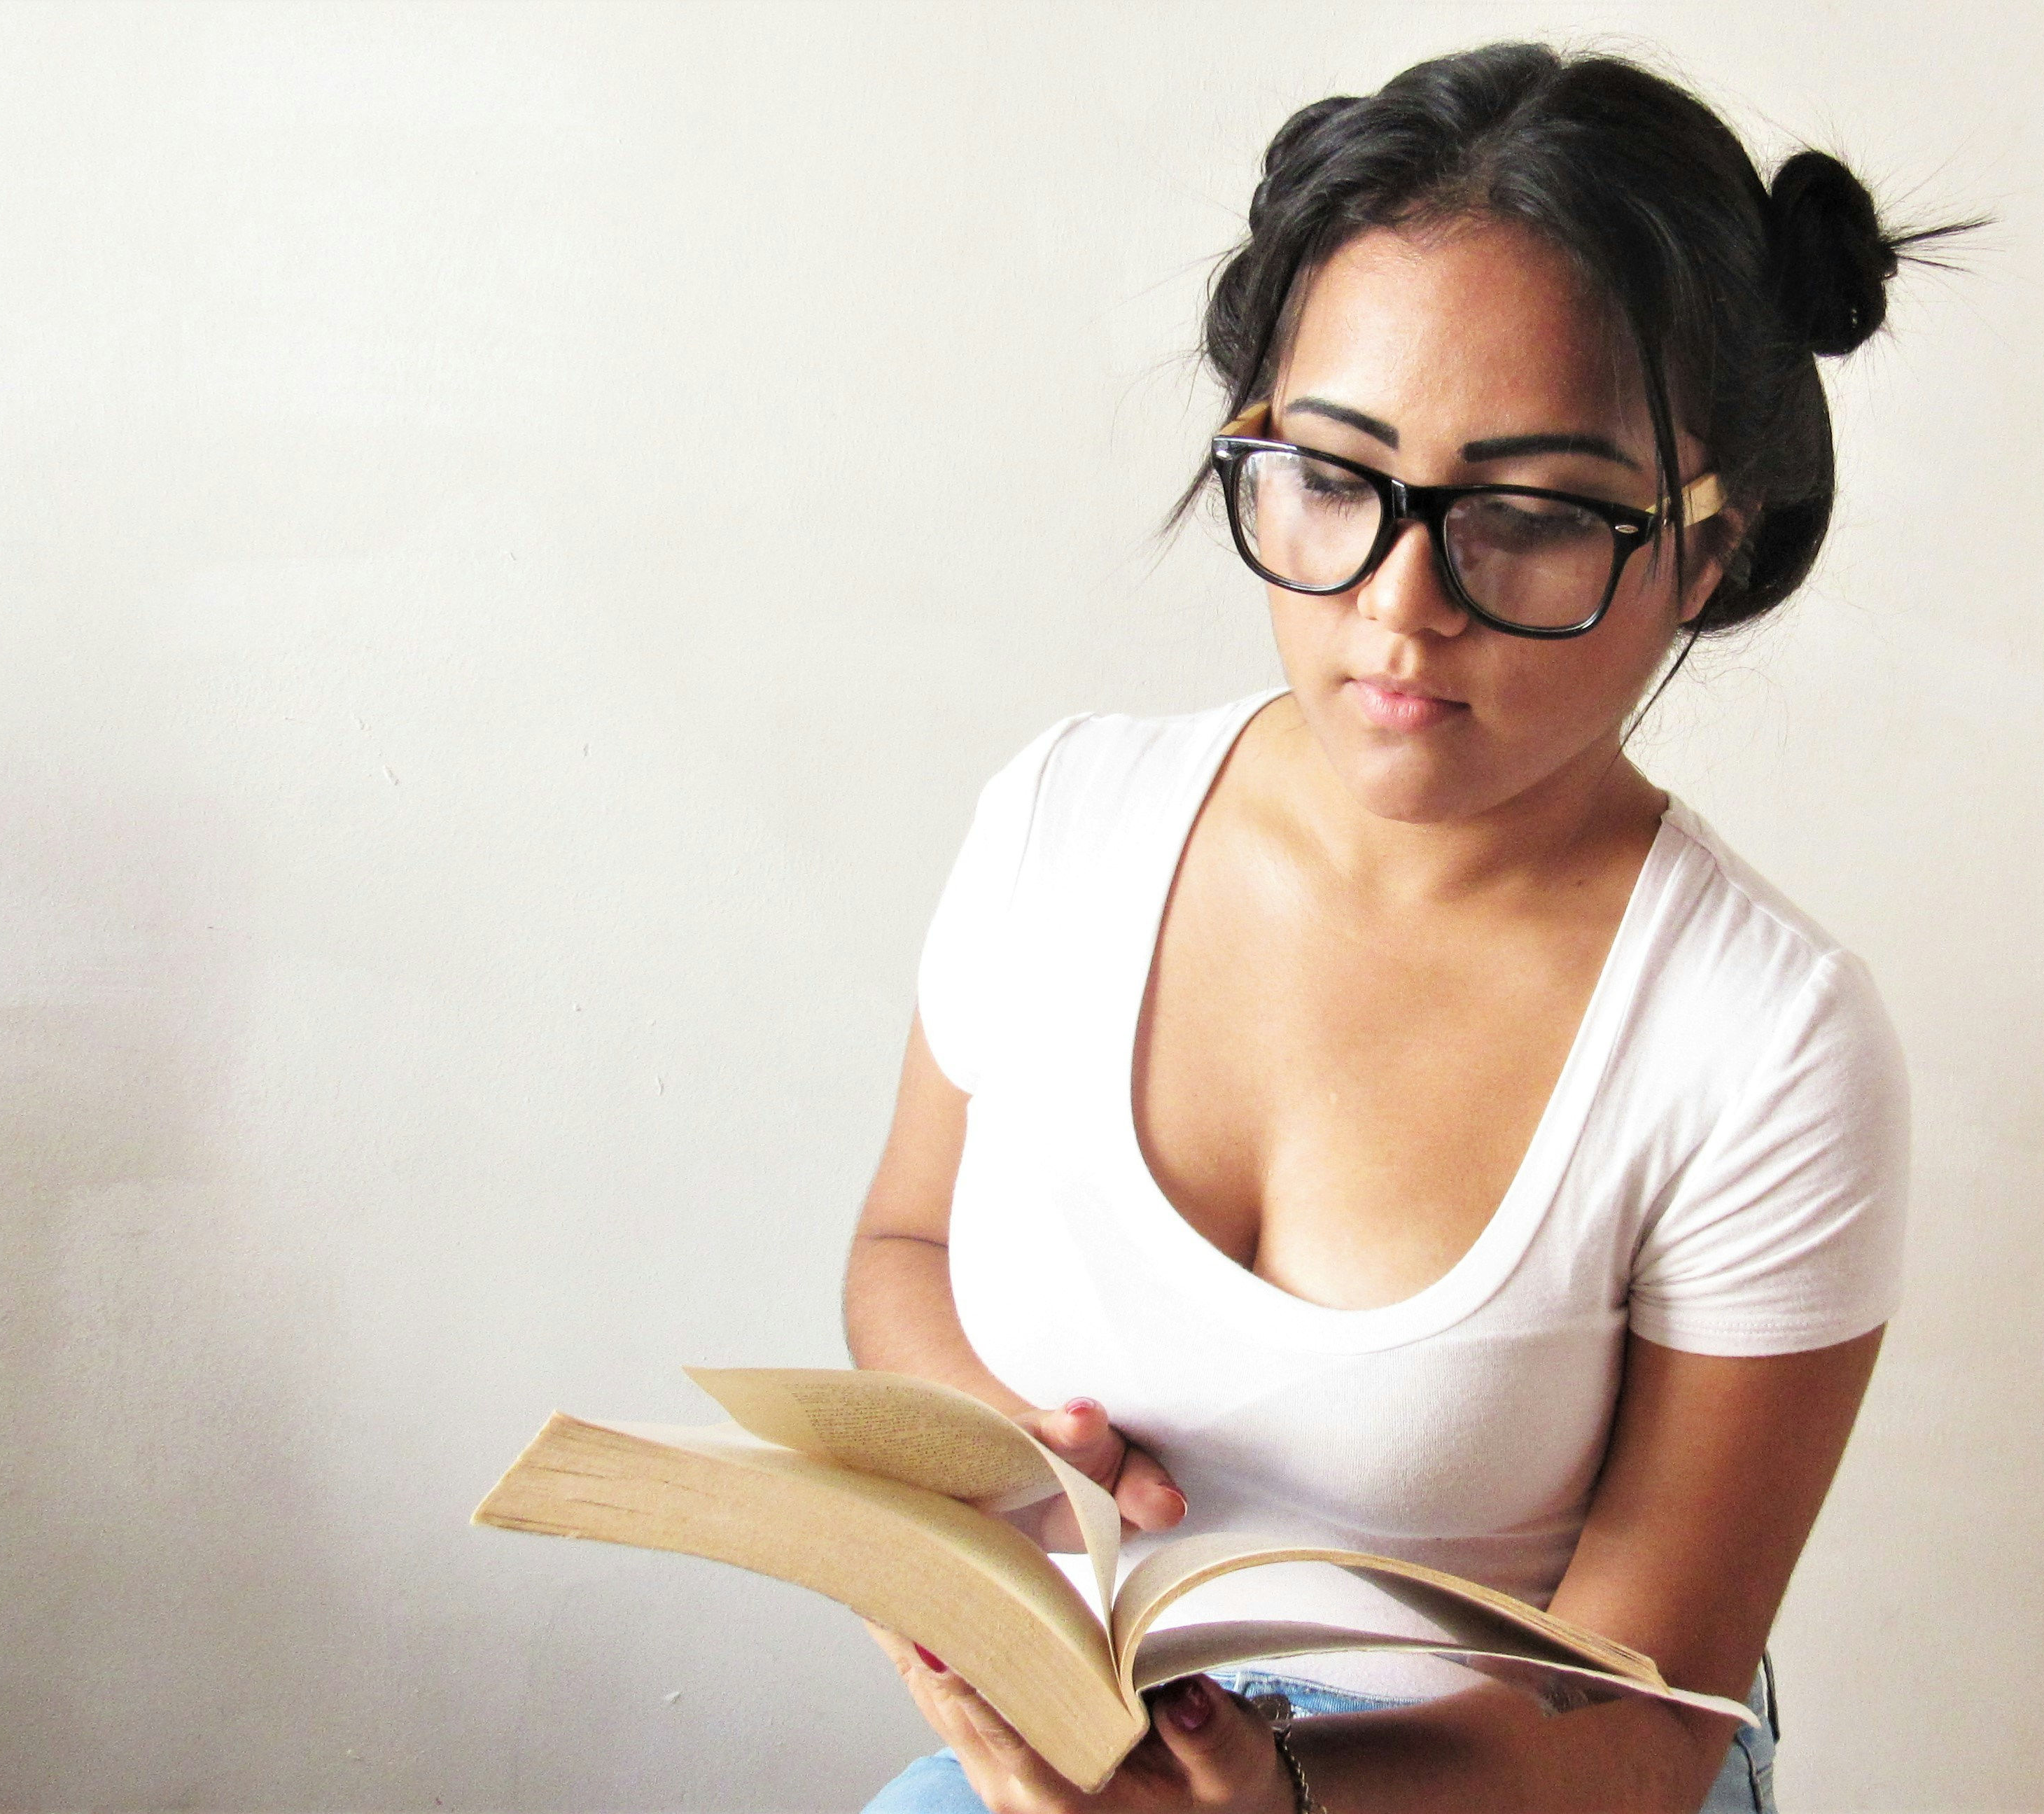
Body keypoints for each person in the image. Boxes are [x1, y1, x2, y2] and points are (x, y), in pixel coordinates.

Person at [843, 40, 1975, 1814]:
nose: (1399, 601)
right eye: (1328, 473)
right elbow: (906, 1246)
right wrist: (998, 1449)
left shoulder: (1767, 1044)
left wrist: (1280, 1799)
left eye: (1531, 516)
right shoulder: (1064, 819)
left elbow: (1649, 1720)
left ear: (1709, 546)